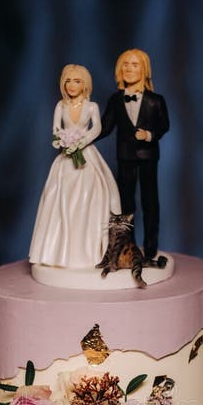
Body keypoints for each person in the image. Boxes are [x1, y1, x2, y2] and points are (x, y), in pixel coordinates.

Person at [29, 64, 121, 269]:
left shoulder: (91, 107)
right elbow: (56, 128)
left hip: (86, 156)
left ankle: (88, 250)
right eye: (68, 81)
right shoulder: (60, 106)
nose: (71, 85)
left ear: (85, 84)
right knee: (60, 198)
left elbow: (97, 128)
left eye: (76, 81)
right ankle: (59, 252)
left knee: (89, 195)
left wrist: (81, 142)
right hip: (65, 159)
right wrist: (58, 141)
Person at [100, 49, 169, 258]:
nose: (129, 69)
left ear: (144, 70)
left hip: (148, 156)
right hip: (125, 157)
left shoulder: (156, 100)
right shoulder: (115, 100)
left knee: (150, 202)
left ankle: (150, 250)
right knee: (125, 204)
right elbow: (105, 127)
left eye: (135, 65)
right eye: (126, 64)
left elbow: (164, 125)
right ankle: (127, 248)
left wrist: (149, 135)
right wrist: (81, 139)